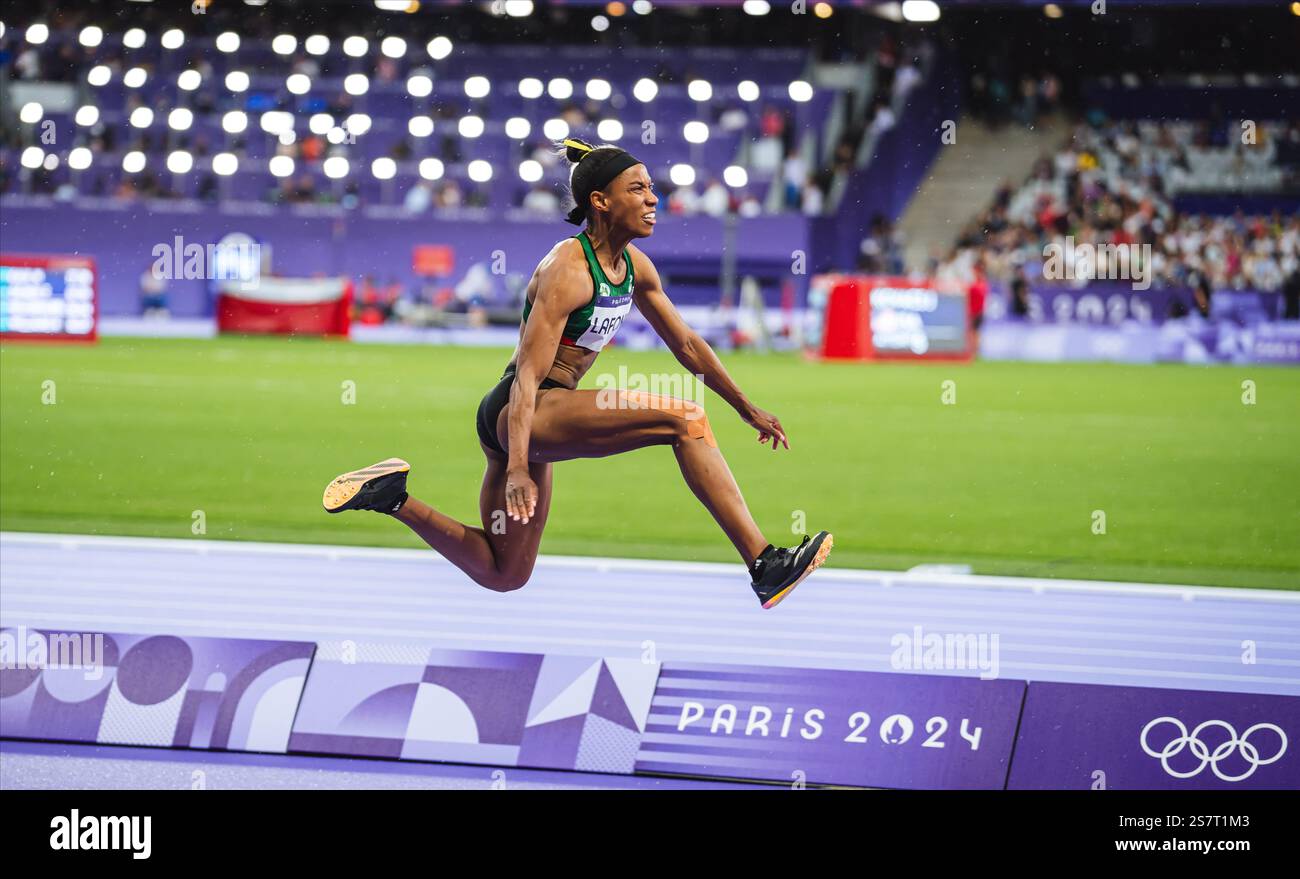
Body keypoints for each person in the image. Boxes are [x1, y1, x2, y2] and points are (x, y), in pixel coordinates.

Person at [323, 137, 832, 609]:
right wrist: (519, 464)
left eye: (652, 188)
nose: (653, 199)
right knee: (686, 420)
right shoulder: (568, 270)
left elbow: (688, 344)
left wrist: (746, 408)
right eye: (638, 188)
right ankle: (764, 563)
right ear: (600, 201)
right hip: (524, 410)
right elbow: (526, 377)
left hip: (541, 419)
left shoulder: (636, 268)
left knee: (506, 573)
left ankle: (391, 496)